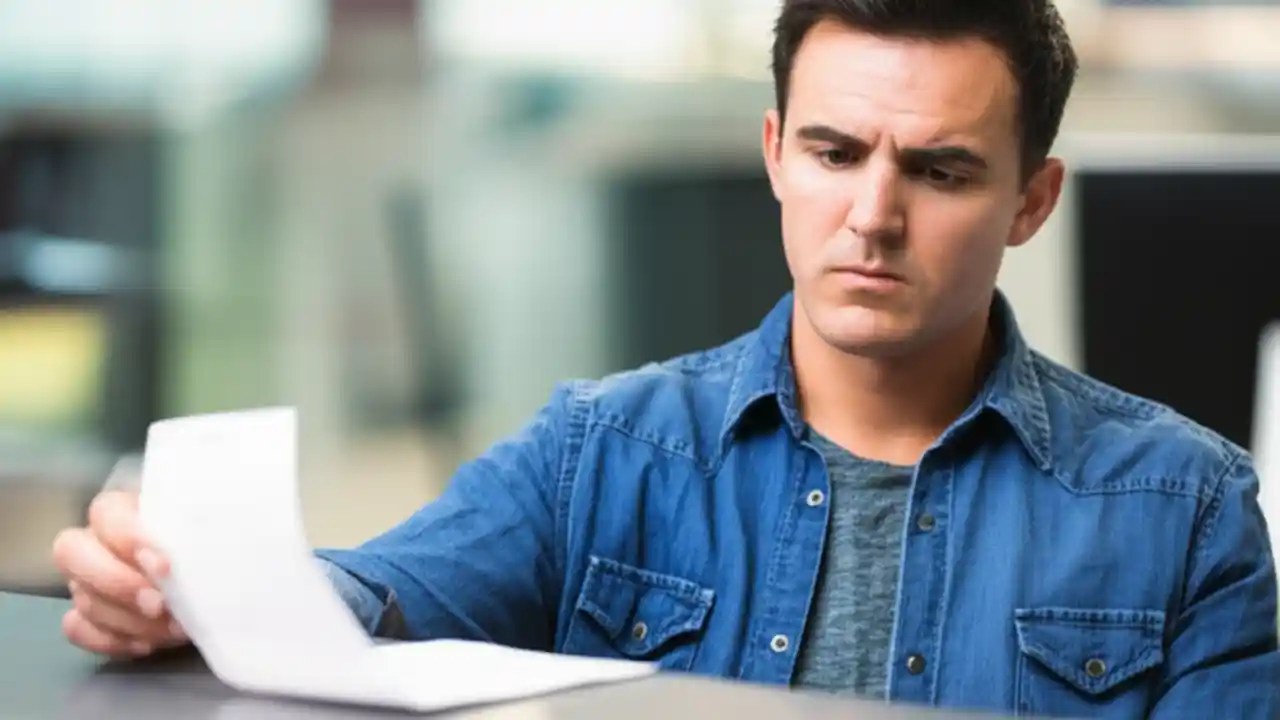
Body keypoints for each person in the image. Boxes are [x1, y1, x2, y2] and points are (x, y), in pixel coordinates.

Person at [50, 1, 1279, 717]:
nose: (872, 214)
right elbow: (375, 597)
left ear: (1029, 199)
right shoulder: (606, 448)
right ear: (773, 154)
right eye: (834, 152)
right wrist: (180, 595)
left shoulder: (1182, 509)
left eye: (940, 169)